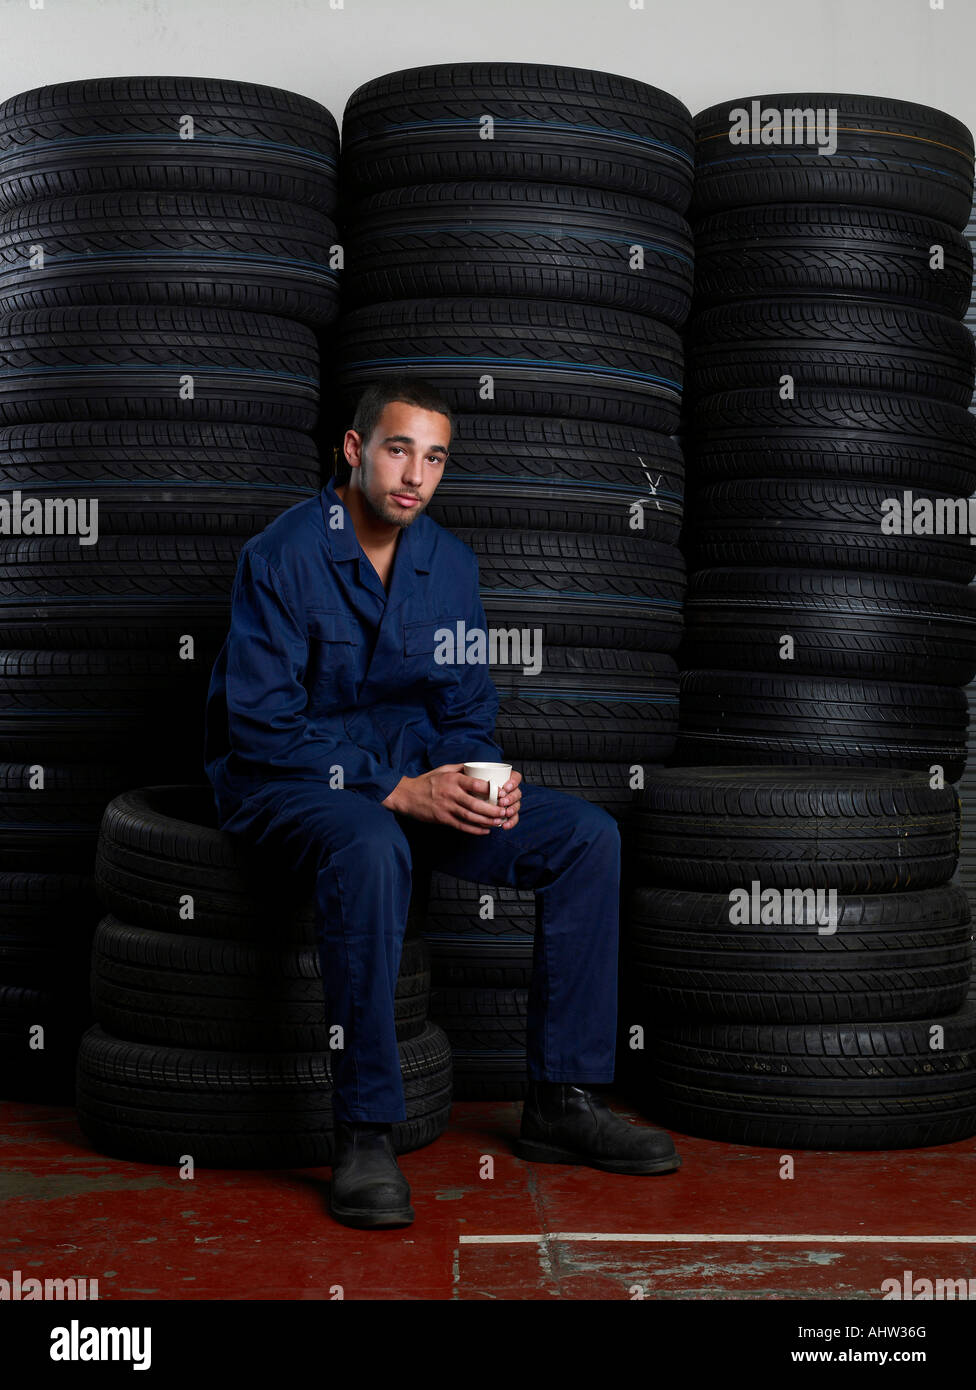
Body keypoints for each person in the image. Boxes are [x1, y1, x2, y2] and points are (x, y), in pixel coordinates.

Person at [203, 375, 681, 1229]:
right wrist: (397, 789)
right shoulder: (280, 557)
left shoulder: (448, 565)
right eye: (397, 449)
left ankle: (562, 1099)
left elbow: (466, 710)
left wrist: (477, 781)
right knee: (370, 844)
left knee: (588, 837)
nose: (415, 475)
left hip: (418, 790)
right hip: (294, 786)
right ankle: (366, 1133)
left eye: (434, 457)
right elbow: (264, 727)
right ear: (354, 451)